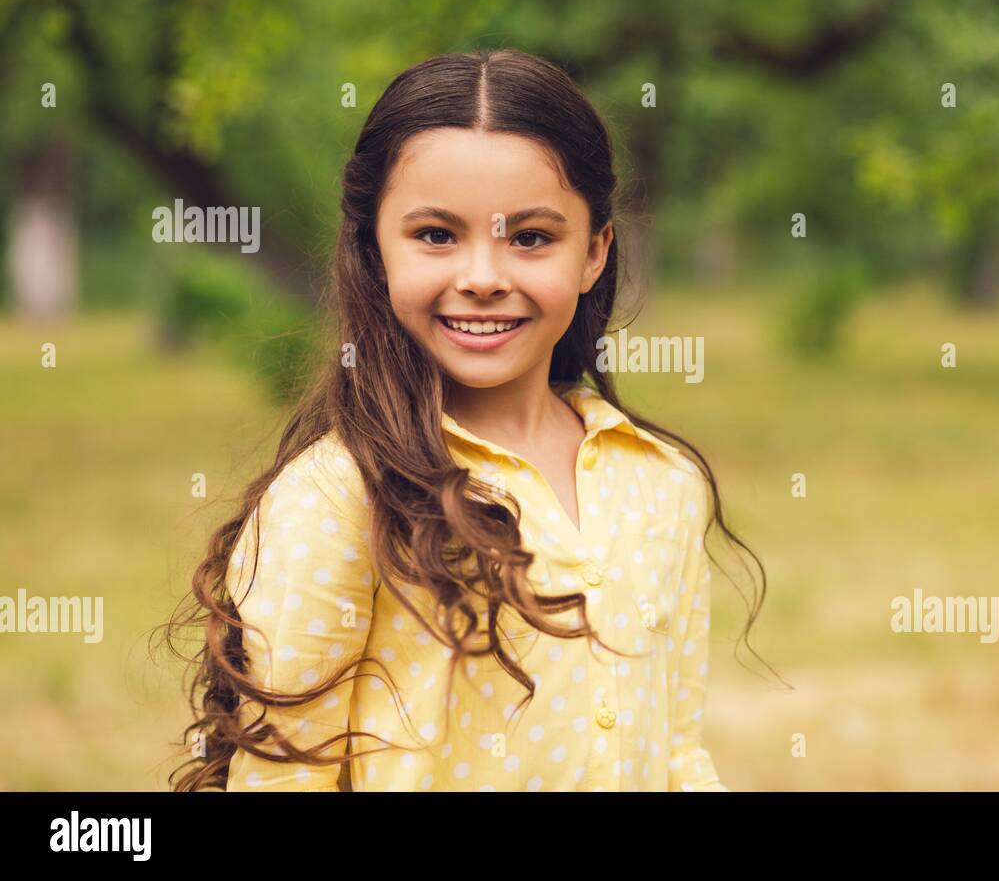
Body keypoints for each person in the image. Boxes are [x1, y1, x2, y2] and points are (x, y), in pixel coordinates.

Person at [166, 49, 769, 791]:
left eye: (530, 238)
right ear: (373, 249)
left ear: (594, 252)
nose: (483, 278)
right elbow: (282, 779)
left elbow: (677, 754)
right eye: (437, 235)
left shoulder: (661, 479)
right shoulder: (338, 498)